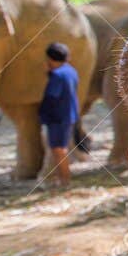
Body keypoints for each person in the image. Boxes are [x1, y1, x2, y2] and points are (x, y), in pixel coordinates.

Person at [39, 42, 80, 188]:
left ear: (50, 58)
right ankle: (61, 179)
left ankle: (65, 181)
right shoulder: (71, 71)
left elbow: (52, 97)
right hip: (70, 115)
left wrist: (43, 114)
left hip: (57, 118)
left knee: (58, 150)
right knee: (61, 148)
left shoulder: (57, 76)